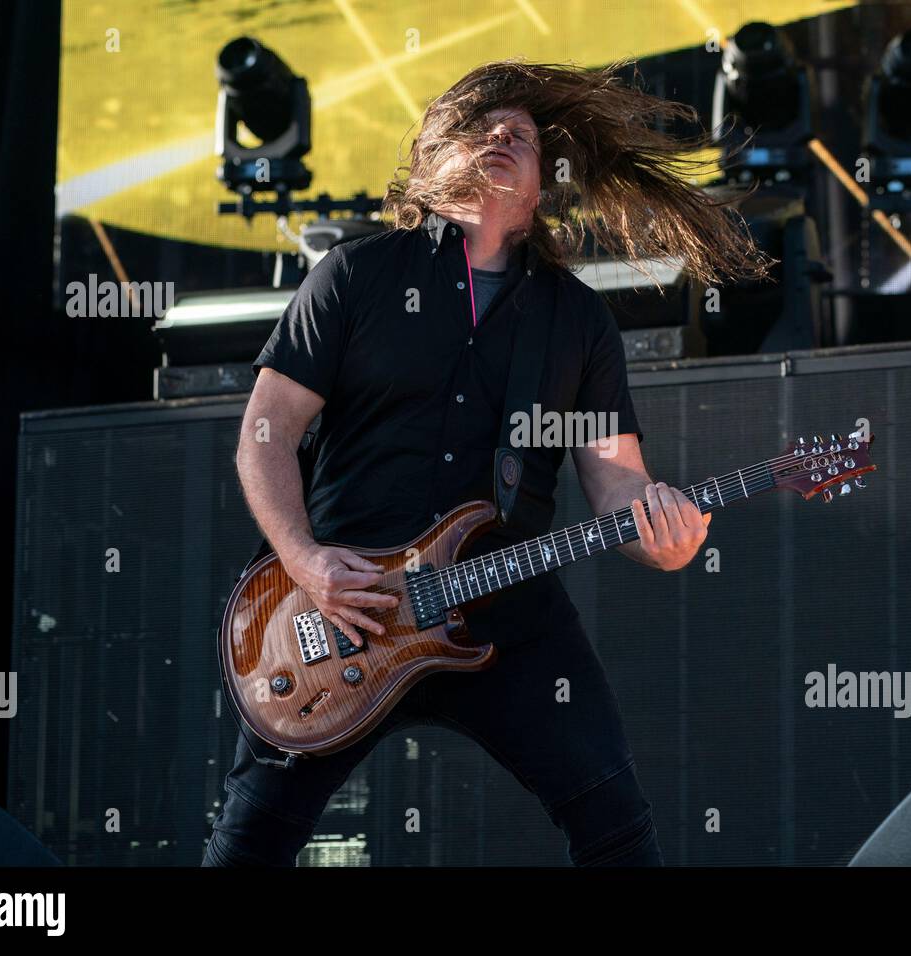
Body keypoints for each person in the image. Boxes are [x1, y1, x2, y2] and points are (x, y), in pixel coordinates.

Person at [202, 59, 773, 867]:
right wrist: (306, 560)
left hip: (502, 602)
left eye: (526, 137)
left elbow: (616, 479)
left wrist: (663, 536)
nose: (505, 138)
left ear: (544, 186)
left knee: (616, 824)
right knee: (250, 839)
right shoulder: (356, 277)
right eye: (483, 128)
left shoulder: (576, 318)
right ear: (436, 158)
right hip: (346, 604)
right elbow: (266, 430)